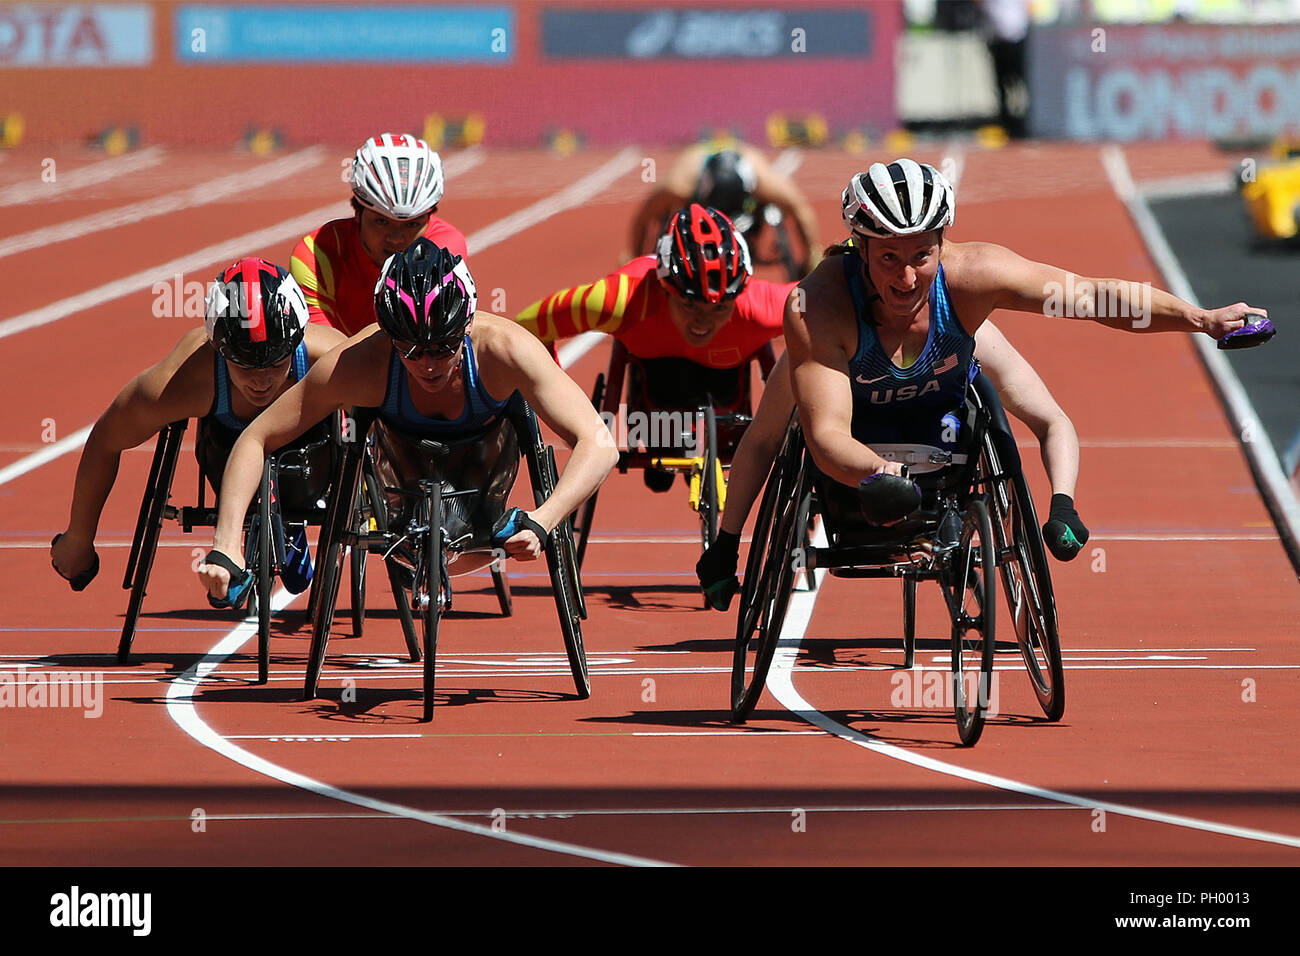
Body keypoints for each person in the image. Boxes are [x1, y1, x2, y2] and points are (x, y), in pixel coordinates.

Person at [696, 158, 1271, 607]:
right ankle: (722, 545)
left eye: (922, 255)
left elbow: (1091, 297)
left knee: (1004, 397)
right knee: (775, 419)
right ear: (861, 247)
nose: (906, 275)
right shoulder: (817, 306)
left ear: (944, 243)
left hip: (943, 412)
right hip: (856, 440)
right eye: (889, 257)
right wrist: (881, 473)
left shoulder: (973, 281)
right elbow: (822, 437)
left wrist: (1201, 318)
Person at [197, 238, 618, 607]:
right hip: (400, 481)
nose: (429, 364)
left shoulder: (506, 349)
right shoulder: (362, 362)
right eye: (411, 349)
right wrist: (226, 545)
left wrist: (545, 519)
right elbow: (257, 438)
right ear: (387, 333)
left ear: (467, 325)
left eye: (444, 347)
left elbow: (599, 442)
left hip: (486, 472)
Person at [51, 258, 345, 594]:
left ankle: (284, 526)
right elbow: (106, 438)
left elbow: (380, 415)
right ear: (220, 352)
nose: (262, 380)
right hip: (224, 449)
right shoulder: (183, 379)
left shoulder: (328, 356)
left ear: (295, 344)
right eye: (245, 365)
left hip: (311, 460)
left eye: (277, 363)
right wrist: (79, 538)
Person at [518, 203, 796, 489]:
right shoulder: (620, 298)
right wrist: (562, 407)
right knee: (659, 459)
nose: (703, 319)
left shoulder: (762, 306)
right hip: (655, 401)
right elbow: (525, 328)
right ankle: (668, 441)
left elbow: (828, 302)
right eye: (689, 304)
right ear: (664, 288)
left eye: (719, 307)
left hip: (725, 396)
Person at [291, 133, 470, 336]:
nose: (396, 238)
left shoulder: (445, 250)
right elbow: (322, 353)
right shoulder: (316, 255)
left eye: (412, 225)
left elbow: (435, 345)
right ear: (357, 212)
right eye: (382, 222)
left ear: (428, 219)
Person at [625, 145, 821, 274]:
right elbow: (645, 218)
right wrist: (635, 259)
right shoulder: (679, 184)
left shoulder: (764, 180)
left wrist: (809, 257)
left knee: (784, 208)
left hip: (747, 204)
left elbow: (801, 212)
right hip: (698, 194)